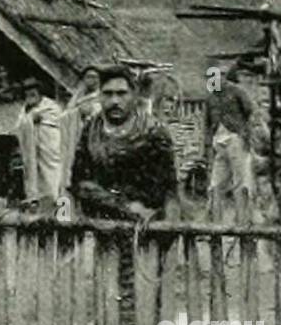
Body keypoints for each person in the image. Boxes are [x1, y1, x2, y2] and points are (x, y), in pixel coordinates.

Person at [70, 66, 178, 223]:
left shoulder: (153, 132)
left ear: (134, 95)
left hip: (147, 224)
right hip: (102, 222)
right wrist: (124, 207)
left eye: (121, 94)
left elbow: (168, 187)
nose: (115, 101)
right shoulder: (91, 131)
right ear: (99, 96)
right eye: (108, 94)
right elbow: (79, 182)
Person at [204, 63, 257, 217]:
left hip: (235, 138)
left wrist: (242, 132)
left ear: (224, 77)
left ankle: (243, 224)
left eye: (218, 76)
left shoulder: (236, 91)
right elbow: (207, 121)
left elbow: (249, 110)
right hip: (218, 141)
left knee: (240, 183)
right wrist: (208, 144)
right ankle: (216, 231)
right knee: (216, 185)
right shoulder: (211, 96)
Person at [15, 77, 63, 206]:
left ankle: (56, 199)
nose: (30, 93)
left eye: (33, 90)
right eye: (27, 90)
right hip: (31, 149)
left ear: (40, 91)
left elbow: (56, 122)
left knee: (52, 171)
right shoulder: (25, 109)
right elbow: (19, 126)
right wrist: (30, 121)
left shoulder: (51, 106)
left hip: (48, 147)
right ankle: (36, 199)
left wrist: (39, 122)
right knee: (32, 172)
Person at [58, 64, 102, 195]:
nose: (91, 80)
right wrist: (75, 113)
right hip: (73, 139)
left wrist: (91, 111)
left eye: (94, 77)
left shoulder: (102, 96)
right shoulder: (77, 96)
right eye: (88, 77)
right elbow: (66, 114)